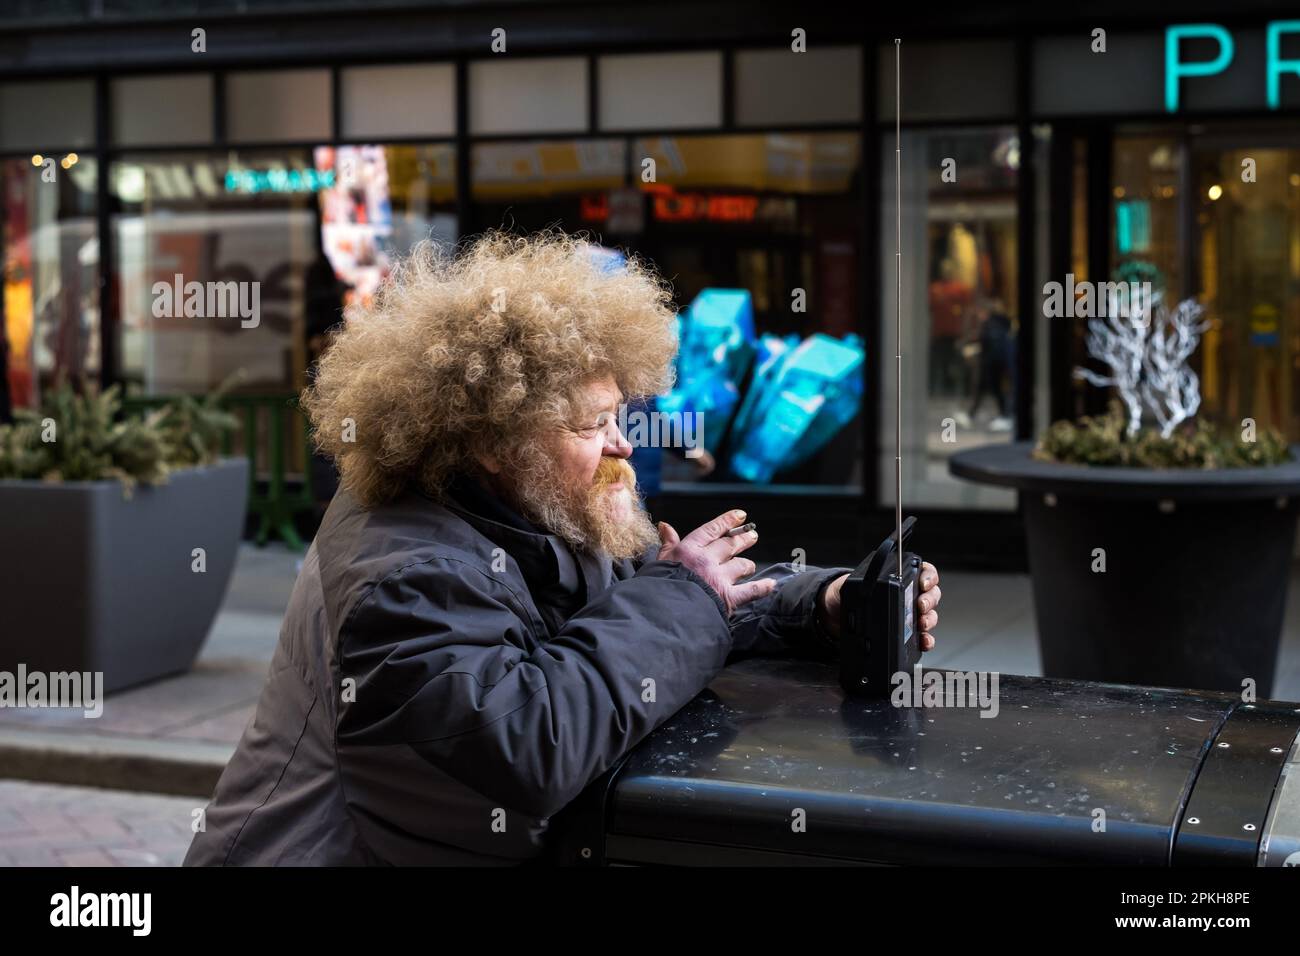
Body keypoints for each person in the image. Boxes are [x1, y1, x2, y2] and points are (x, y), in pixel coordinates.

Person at [183, 230, 942, 866]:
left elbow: (669, 606)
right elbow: (525, 740)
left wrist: (830, 606)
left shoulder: (525, 507)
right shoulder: (402, 574)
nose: (621, 444)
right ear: (490, 438)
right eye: (590, 424)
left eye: (620, 414)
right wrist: (689, 595)